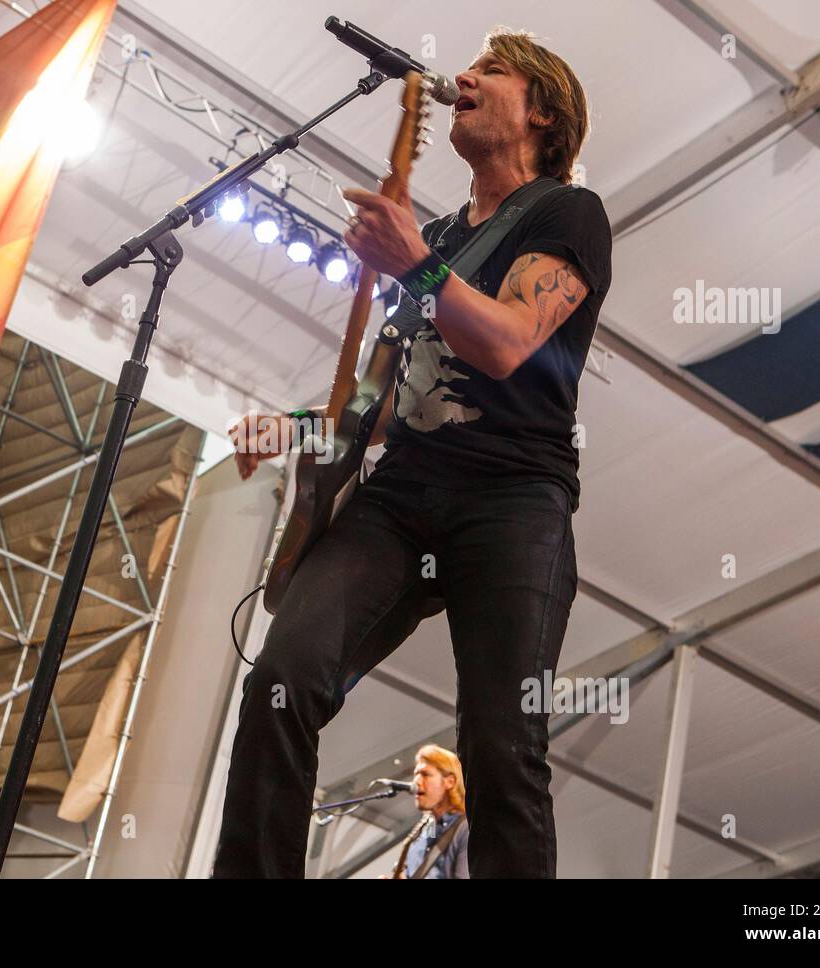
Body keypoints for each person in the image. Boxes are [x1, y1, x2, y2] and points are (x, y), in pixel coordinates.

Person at [215, 25, 611, 878]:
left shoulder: (565, 212)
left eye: (493, 71)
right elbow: (380, 401)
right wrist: (295, 424)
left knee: (503, 746)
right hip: (401, 498)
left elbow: (506, 344)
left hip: (513, 500)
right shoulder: (438, 230)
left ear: (540, 110)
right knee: (281, 679)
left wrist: (418, 265)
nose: (464, 74)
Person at [386, 745, 469, 879]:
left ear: (450, 781)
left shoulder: (466, 829)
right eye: (416, 774)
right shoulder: (423, 829)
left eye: (425, 774)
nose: (416, 781)